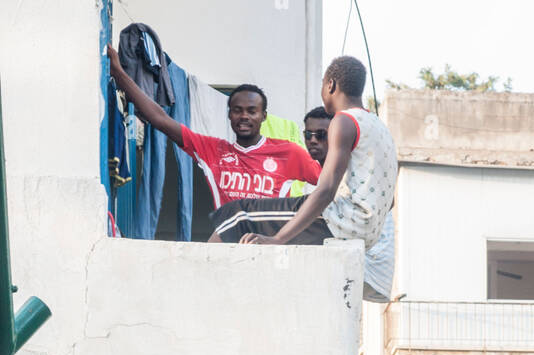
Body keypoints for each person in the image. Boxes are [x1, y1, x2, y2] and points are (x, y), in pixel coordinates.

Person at [107, 46, 321, 242]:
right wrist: (118, 73)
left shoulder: (289, 152)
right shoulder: (214, 150)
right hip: (225, 248)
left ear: (263, 116)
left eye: (252, 111)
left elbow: (330, 187)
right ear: (229, 115)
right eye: (238, 110)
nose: (244, 116)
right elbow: (160, 119)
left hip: (267, 250)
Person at [239, 56, 397, 250]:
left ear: (330, 85)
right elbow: (391, 201)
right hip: (367, 233)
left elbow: (326, 189)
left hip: (343, 221)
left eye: (323, 85)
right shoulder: (379, 126)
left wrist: (278, 239)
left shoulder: (344, 120)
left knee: (239, 214)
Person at [300, 105, 395, 302]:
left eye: (321, 135)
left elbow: (388, 202)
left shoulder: (351, 168)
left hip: (367, 259)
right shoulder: (322, 174)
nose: (313, 141)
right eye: (308, 135)